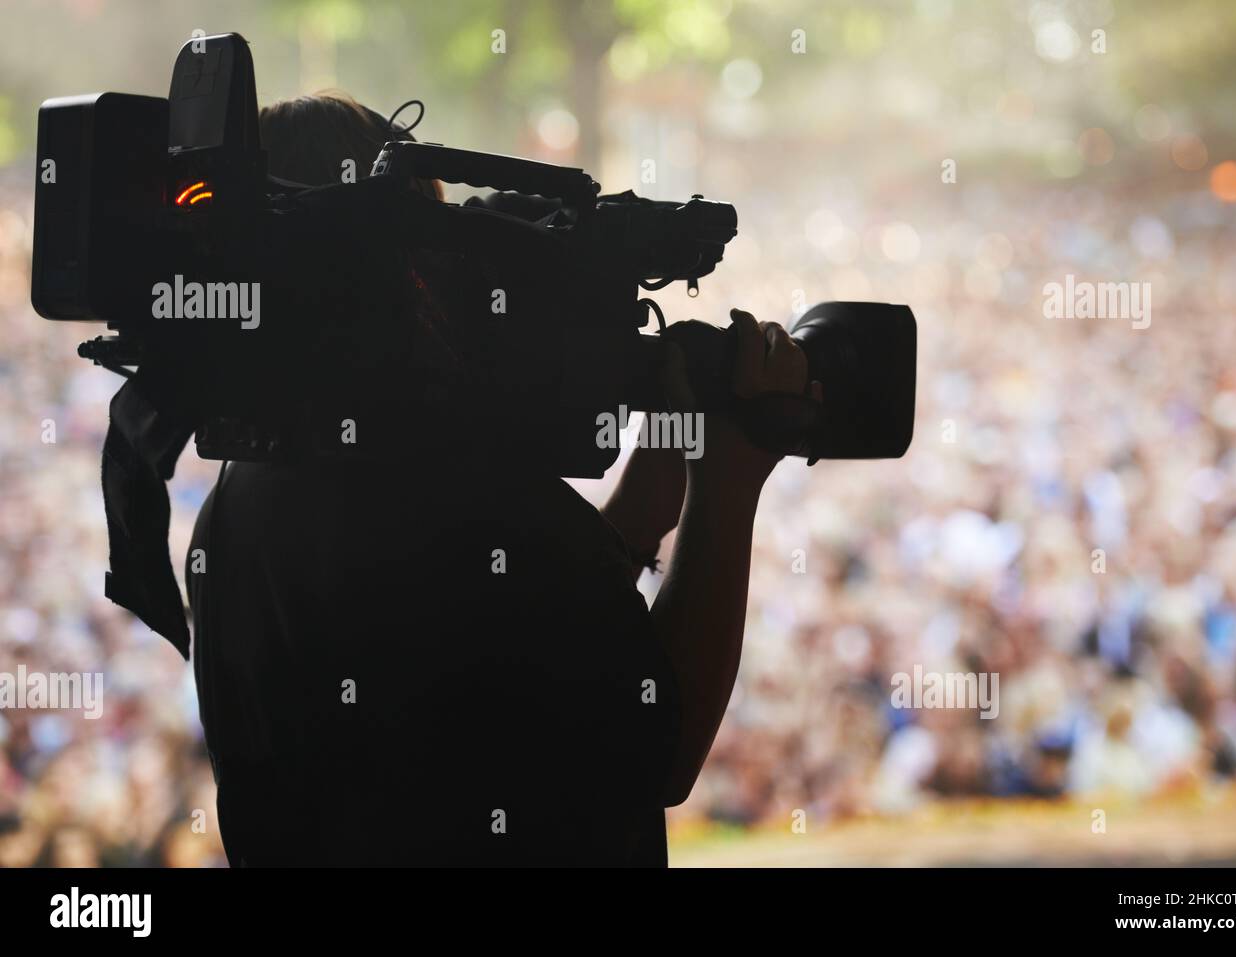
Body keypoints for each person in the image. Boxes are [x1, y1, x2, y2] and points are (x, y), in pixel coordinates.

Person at [186, 91, 817, 866]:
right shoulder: (467, 495)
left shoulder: (237, 497)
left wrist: (633, 521)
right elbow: (663, 749)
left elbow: (494, 654)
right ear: (405, 258)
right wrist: (729, 479)